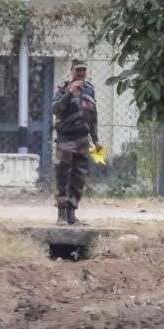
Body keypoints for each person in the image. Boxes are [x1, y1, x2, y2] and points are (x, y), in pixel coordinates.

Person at [50, 59, 101, 226]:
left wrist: (96, 140)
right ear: (71, 71)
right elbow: (56, 109)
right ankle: (62, 213)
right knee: (63, 175)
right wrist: (70, 93)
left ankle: (72, 212)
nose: (81, 73)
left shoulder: (89, 90)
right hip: (66, 139)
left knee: (79, 177)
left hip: (82, 139)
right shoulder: (62, 89)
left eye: (83, 70)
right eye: (78, 70)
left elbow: (92, 116)